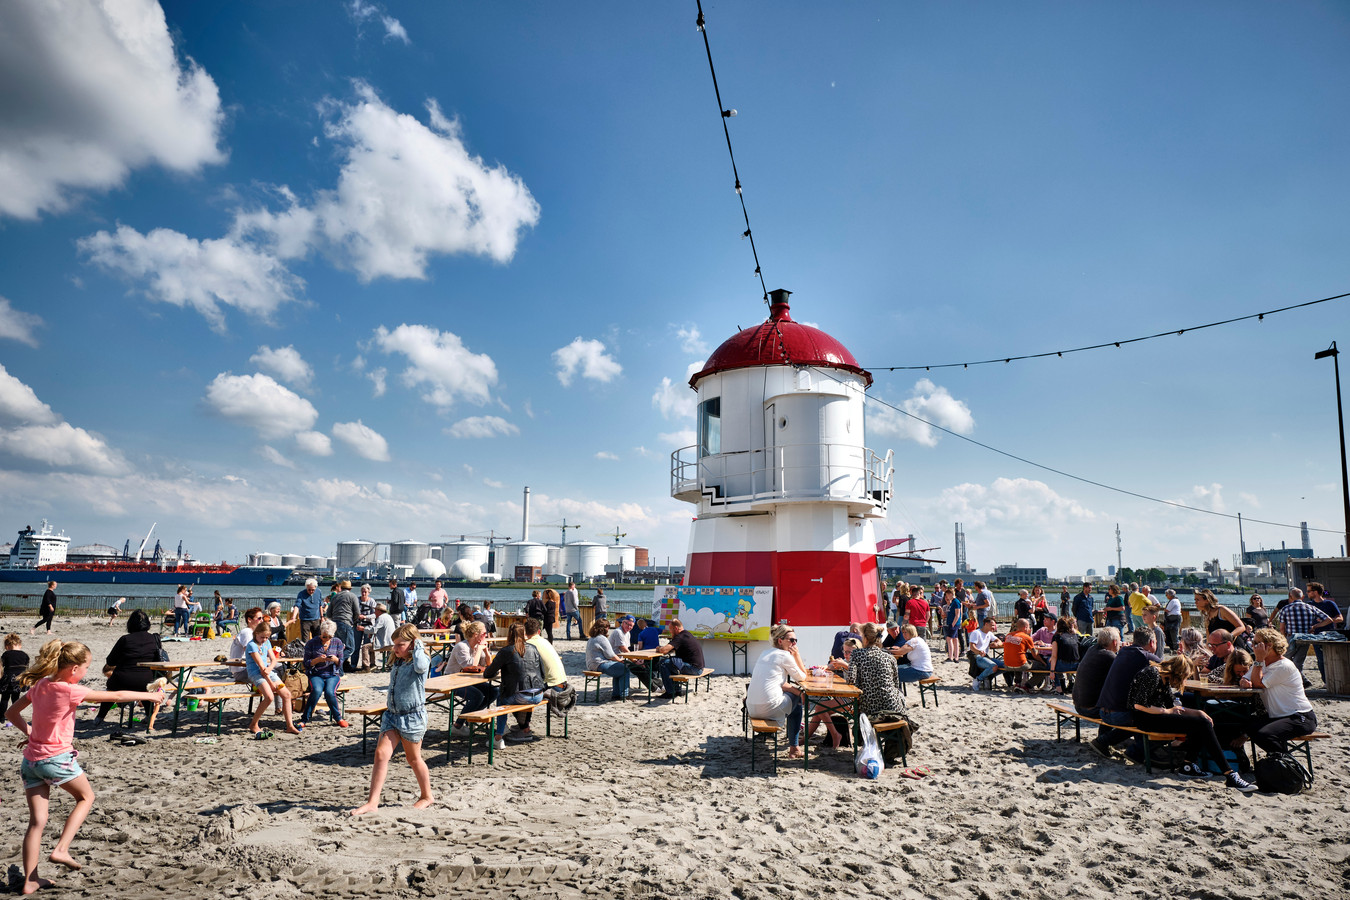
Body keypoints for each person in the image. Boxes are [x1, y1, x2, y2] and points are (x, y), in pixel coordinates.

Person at [6, 639, 165, 894]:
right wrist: (151, 695)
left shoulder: (41, 685)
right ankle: (61, 849)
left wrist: (32, 732)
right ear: (73, 669)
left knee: (37, 822)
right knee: (86, 797)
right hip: (56, 760)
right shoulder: (70, 689)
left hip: (31, 762)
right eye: (86, 668)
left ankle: (30, 881)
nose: (86, 673)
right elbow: (118, 696)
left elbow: (10, 713)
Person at [1127, 654, 1258, 792]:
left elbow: (1173, 704)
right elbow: (1139, 705)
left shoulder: (1164, 677)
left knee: (1201, 721)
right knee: (1201, 724)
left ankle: (1188, 765)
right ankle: (1229, 774)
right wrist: (1167, 712)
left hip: (1156, 715)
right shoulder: (1153, 673)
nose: (1183, 681)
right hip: (1144, 718)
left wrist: (1198, 712)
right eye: (1184, 677)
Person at [351, 624, 434, 815]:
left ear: (413, 643)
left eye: (400, 644)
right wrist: (402, 649)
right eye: (394, 644)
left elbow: (421, 667)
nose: (395, 649)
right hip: (392, 715)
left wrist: (419, 644)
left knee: (413, 759)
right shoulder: (398, 661)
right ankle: (372, 802)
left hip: (412, 717)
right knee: (380, 755)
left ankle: (427, 795)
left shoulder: (419, 661)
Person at [1090, 628, 1163, 757]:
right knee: (1146, 718)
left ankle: (1104, 738)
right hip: (1118, 716)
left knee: (1136, 708)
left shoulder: (1123, 651)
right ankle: (1134, 750)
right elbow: (1169, 670)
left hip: (1102, 711)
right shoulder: (1147, 657)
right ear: (1152, 643)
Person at [1246, 627, 1317, 755]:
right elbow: (1245, 678)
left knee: (1265, 734)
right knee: (1248, 726)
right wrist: (1245, 681)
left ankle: (1287, 763)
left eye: (1256, 643)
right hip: (1278, 716)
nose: (1252, 645)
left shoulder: (1283, 665)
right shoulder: (1262, 664)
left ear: (1269, 646)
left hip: (1300, 716)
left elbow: (1257, 683)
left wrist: (1259, 660)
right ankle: (1279, 760)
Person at [847, 623, 910, 766]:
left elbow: (851, 680)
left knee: (855, 712)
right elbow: (895, 684)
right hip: (894, 708)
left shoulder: (857, 654)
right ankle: (889, 752)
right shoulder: (889, 657)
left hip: (871, 708)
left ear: (865, 638)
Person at [747, 624, 808, 759]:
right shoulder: (784, 655)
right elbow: (803, 677)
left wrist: (796, 691)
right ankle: (794, 748)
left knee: (794, 694)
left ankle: (794, 745)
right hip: (768, 708)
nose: (794, 643)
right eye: (791, 640)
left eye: (795, 640)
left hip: (751, 708)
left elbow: (778, 683)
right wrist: (797, 655)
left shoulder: (765, 652)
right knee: (796, 701)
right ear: (780, 641)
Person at [92, 610, 164, 725]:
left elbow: (110, 661)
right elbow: (157, 660)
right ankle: (149, 715)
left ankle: (100, 717)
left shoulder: (125, 639)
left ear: (130, 624)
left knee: (111, 692)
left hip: (123, 679)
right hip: (146, 679)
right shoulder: (155, 639)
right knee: (146, 688)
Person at [484, 623, 547, 743]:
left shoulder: (506, 651)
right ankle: (523, 727)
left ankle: (498, 737)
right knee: (515, 696)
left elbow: (487, 673)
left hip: (522, 695)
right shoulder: (533, 649)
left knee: (501, 698)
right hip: (538, 694)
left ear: (509, 635)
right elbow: (542, 673)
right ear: (523, 634)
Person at [244, 620, 299, 735]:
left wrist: (270, 670)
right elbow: (260, 666)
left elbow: (274, 659)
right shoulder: (252, 645)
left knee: (287, 694)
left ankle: (290, 725)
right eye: (262, 637)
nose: (264, 639)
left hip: (268, 671)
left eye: (267, 637)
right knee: (269, 697)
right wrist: (270, 681)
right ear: (256, 634)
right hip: (256, 673)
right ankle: (254, 723)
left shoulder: (267, 642)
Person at [1279, 585, 1339, 685]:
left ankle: (1298, 681)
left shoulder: (1285, 609)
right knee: (1299, 661)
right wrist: (1315, 626)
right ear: (1302, 597)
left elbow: (1282, 628)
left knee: (1286, 658)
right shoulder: (1310, 607)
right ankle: (1301, 681)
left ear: (1291, 596)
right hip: (1305, 637)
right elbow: (1329, 619)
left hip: (1291, 637)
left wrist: (1284, 636)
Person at [301, 620, 348, 727]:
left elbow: (341, 662)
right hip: (316, 674)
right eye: (324, 637)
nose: (327, 639)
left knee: (329, 692)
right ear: (320, 633)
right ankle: (304, 719)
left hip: (332, 674)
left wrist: (335, 659)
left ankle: (338, 718)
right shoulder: (311, 643)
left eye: (329, 637)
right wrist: (317, 660)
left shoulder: (337, 642)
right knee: (316, 690)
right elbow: (306, 663)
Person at [524, 617, 572, 714]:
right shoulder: (545, 641)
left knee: (518, 693)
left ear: (525, 632)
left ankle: (524, 725)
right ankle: (524, 725)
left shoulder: (528, 645)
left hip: (552, 687)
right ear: (538, 631)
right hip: (563, 684)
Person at [1072, 627, 1120, 718]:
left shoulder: (1092, 649)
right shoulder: (1108, 656)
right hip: (1092, 709)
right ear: (1114, 642)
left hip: (1078, 705)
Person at [654, 618, 705, 700]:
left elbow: (664, 650)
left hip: (693, 668)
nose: (670, 632)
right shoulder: (687, 634)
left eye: (671, 630)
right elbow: (673, 648)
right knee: (672, 663)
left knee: (663, 663)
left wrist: (659, 648)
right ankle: (677, 690)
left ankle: (670, 692)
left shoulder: (679, 637)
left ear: (676, 628)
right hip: (698, 667)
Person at [585, 618, 631, 701]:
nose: (608, 629)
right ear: (604, 628)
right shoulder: (601, 638)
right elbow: (611, 655)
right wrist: (620, 661)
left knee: (618, 670)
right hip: (599, 664)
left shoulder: (592, 638)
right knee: (624, 669)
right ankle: (624, 695)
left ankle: (616, 695)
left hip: (591, 664)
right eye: (608, 627)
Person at [327, 580, 361, 673]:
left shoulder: (335, 597)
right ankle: (336, 661)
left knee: (339, 647)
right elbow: (357, 612)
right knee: (350, 648)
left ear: (341, 588)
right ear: (350, 588)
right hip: (346, 623)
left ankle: (339, 671)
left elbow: (328, 613)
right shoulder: (352, 596)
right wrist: (353, 621)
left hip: (334, 624)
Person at [998, 618, 1041, 691]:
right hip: (1020, 665)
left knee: (1018, 659)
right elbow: (1035, 654)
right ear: (1025, 627)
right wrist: (1043, 662)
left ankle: (1018, 683)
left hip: (1007, 665)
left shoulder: (1008, 635)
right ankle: (1027, 685)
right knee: (1045, 669)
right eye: (1029, 626)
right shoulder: (1026, 637)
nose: (1030, 628)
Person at [229, 608, 266, 685]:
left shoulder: (254, 633)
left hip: (248, 667)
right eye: (259, 618)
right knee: (275, 676)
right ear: (249, 620)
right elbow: (252, 654)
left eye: (262, 618)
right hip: (241, 670)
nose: (262, 620)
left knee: (279, 672)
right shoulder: (247, 632)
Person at [1048, 616, 1081, 695]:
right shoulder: (1075, 636)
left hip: (1064, 665)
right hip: (1076, 664)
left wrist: (1052, 671)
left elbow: (1054, 656)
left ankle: (1058, 688)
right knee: (1052, 661)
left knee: (1049, 662)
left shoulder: (1057, 637)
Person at [1, 634, 30, 720]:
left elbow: (1, 667)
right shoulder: (25, 655)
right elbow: (26, 669)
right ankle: (15, 715)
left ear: (7, 646)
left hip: (8, 679)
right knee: (16, 698)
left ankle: (1, 717)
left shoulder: (6, 654)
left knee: (4, 698)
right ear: (20, 645)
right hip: (19, 679)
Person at [967, 617, 1000, 691]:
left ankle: (987, 677)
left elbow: (998, 640)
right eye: (992, 625)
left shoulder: (990, 634)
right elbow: (972, 647)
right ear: (986, 624)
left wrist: (996, 644)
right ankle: (978, 679)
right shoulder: (976, 633)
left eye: (994, 625)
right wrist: (979, 651)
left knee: (1005, 665)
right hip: (975, 655)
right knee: (993, 666)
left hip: (984, 655)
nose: (994, 627)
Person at [360, 602, 396, 670]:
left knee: (365, 647)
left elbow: (374, 630)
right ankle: (372, 664)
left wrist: (363, 629)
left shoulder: (381, 618)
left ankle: (366, 667)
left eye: (375, 610)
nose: (374, 612)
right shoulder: (388, 616)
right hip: (391, 642)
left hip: (386, 644)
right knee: (371, 645)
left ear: (379, 610)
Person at [940, 588, 962, 662]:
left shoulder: (956, 602)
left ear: (950, 594)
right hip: (952, 622)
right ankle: (955, 657)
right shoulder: (953, 602)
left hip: (954, 623)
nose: (946, 597)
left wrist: (953, 624)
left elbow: (957, 614)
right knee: (955, 640)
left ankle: (951, 657)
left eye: (947, 595)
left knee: (949, 639)